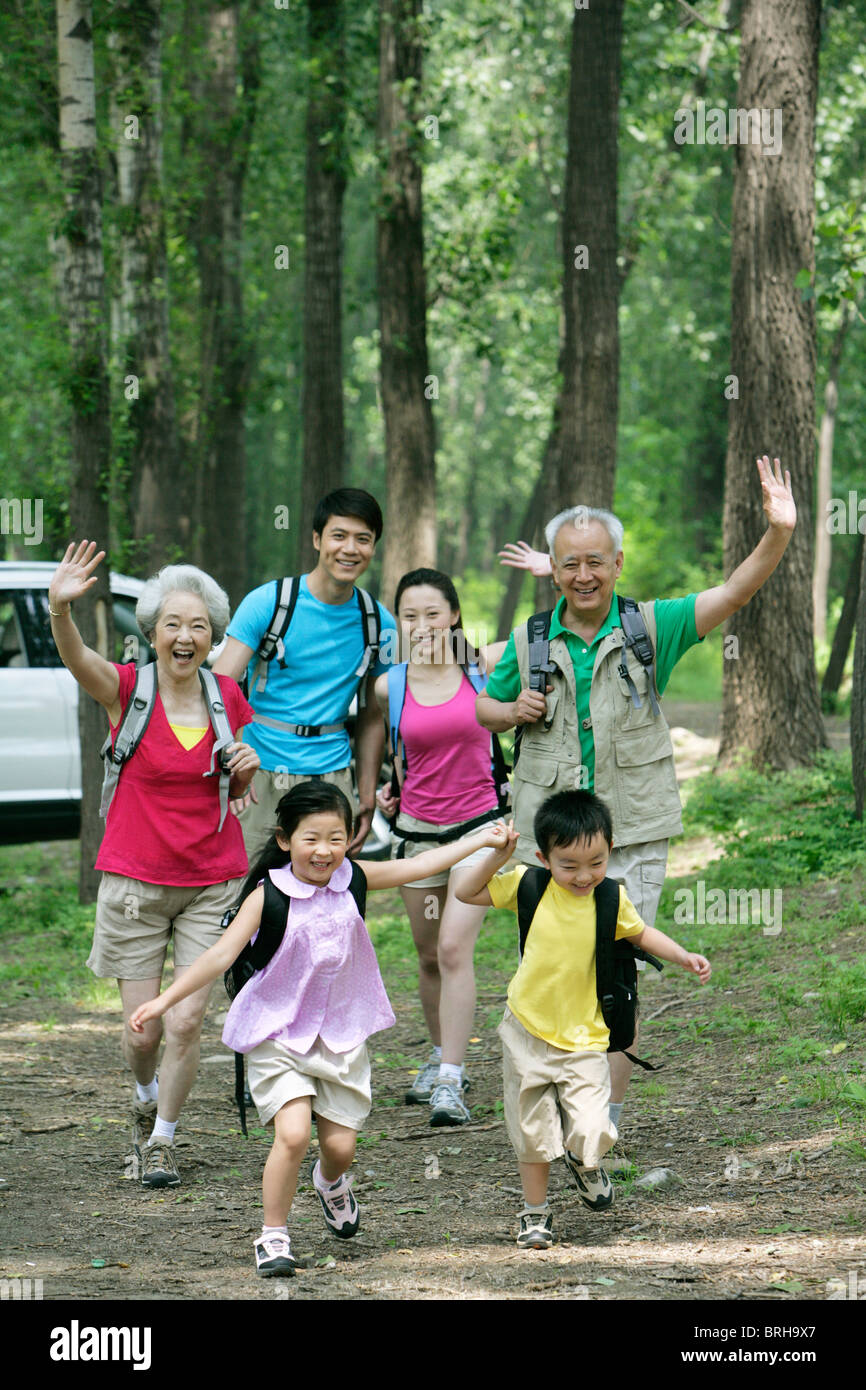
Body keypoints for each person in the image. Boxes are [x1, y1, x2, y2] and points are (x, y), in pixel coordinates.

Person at [480, 455, 795, 1140]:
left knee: (617, 973)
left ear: (618, 563)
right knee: (550, 968)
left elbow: (736, 592)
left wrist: (779, 532)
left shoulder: (654, 627)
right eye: (570, 564)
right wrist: (512, 711)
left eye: (597, 562)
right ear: (554, 568)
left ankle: (604, 1118)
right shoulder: (531, 639)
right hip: (548, 842)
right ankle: (556, 1097)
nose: (583, 575)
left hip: (632, 835)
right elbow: (485, 706)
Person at [128, 781, 513, 1277]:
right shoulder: (267, 895)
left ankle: (330, 1183)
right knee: (290, 1136)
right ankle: (273, 1235)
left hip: (341, 1036)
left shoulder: (353, 879)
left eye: (336, 837)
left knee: (340, 1149)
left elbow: (421, 866)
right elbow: (219, 955)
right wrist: (162, 1000)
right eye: (311, 838)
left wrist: (482, 841)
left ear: (349, 839)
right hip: (278, 1034)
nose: (325, 850)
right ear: (286, 840)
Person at [48, 540, 259, 1189]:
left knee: (187, 1020)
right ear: (153, 631)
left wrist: (248, 769)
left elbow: (242, 771)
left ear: (213, 635)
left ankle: (164, 1139)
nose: (186, 635)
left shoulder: (227, 695)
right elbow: (78, 657)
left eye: (198, 625)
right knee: (141, 1033)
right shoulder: (127, 688)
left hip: (210, 881)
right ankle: (143, 1096)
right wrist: (61, 610)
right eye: (173, 623)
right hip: (135, 883)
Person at [456, 790, 711, 1248]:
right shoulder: (527, 885)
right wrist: (497, 858)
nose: (583, 875)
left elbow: (642, 933)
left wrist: (682, 956)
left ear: (610, 850)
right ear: (544, 857)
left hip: (586, 1037)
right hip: (526, 1031)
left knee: (593, 1129)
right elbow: (465, 890)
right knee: (532, 1134)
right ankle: (535, 1213)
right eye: (569, 865)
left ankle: (581, 1159)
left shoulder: (610, 898)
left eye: (595, 862)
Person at [373, 569, 506, 1126]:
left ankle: (451, 1079)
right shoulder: (390, 686)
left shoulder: (487, 666)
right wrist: (386, 791)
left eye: (433, 613)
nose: (422, 625)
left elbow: (561, 629)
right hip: (417, 837)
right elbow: (399, 752)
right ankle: (437, 1054)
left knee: (454, 949)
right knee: (428, 956)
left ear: (453, 614)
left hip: (480, 831)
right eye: (409, 616)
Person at [212, 488, 396, 860]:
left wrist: (364, 794)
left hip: (332, 776)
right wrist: (232, 774)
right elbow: (219, 689)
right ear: (317, 539)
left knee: (324, 895)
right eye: (339, 536)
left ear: (374, 547)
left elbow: (374, 716)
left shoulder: (379, 623)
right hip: (258, 773)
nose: (350, 549)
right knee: (242, 889)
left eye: (363, 539)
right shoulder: (271, 602)